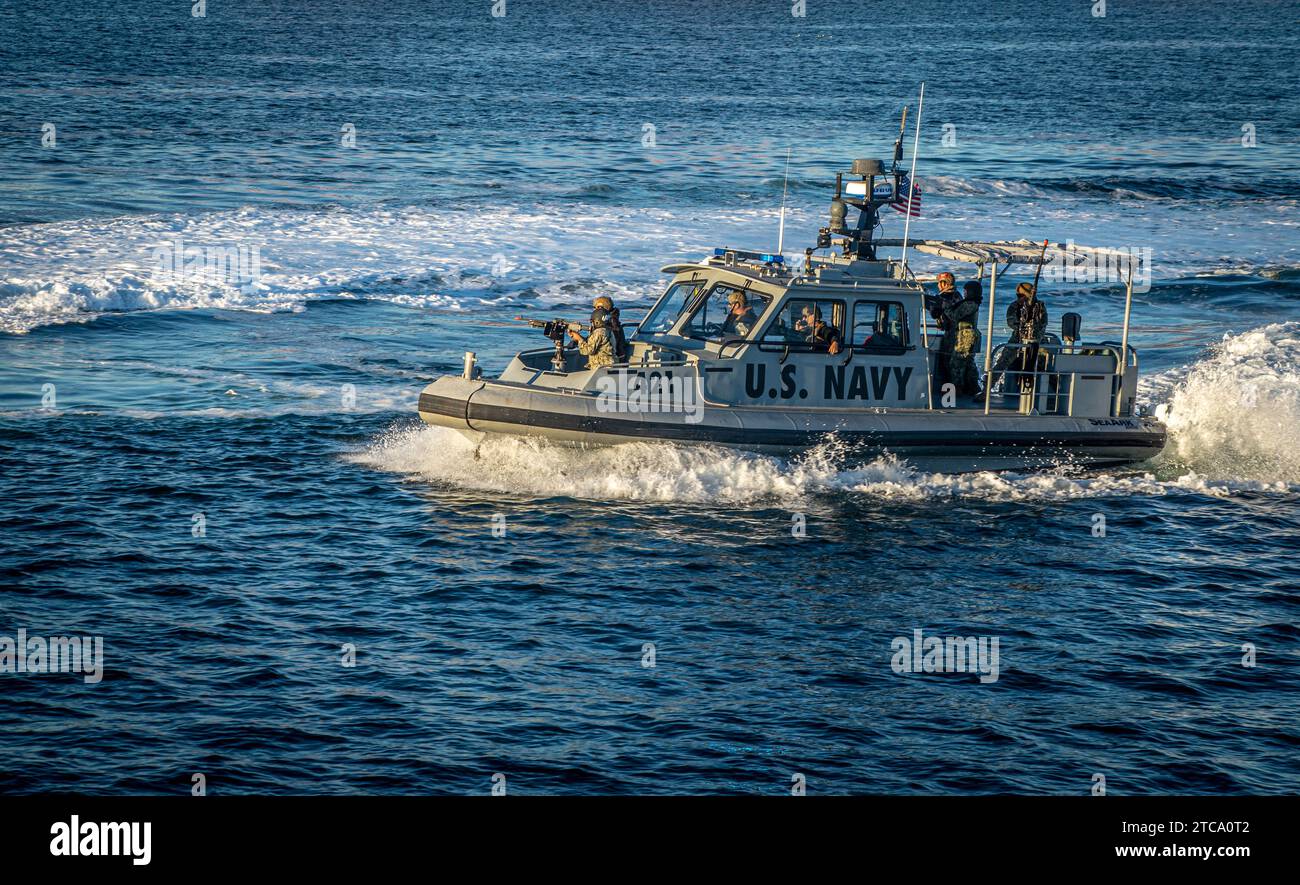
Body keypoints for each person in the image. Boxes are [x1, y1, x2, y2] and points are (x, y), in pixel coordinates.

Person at [993, 281, 1048, 391]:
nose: (1019, 298)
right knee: (1002, 362)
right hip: (1018, 338)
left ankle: (1048, 391)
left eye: (1021, 296)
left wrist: (1033, 325)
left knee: (1045, 364)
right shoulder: (1015, 306)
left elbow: (1043, 323)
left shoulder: (1040, 306)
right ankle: (987, 389)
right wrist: (1022, 323)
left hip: (1037, 340)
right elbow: (1011, 322)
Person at [944, 280, 984, 396]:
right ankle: (973, 387)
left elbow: (955, 315)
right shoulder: (972, 303)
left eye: (966, 291)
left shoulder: (970, 304)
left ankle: (957, 389)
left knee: (956, 363)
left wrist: (946, 307)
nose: (964, 293)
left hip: (965, 337)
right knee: (968, 364)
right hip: (967, 336)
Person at [929, 271, 961, 388]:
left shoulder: (943, 297)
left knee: (947, 362)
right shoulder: (957, 295)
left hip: (951, 333)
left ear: (944, 283)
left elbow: (934, 313)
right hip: (959, 333)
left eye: (939, 283)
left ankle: (950, 390)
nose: (938, 285)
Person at [568, 297, 619, 369]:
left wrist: (579, 339)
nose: (594, 310)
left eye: (596, 308)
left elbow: (589, 350)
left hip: (603, 366)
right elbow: (597, 342)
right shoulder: (608, 324)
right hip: (605, 363)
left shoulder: (603, 329)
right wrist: (577, 338)